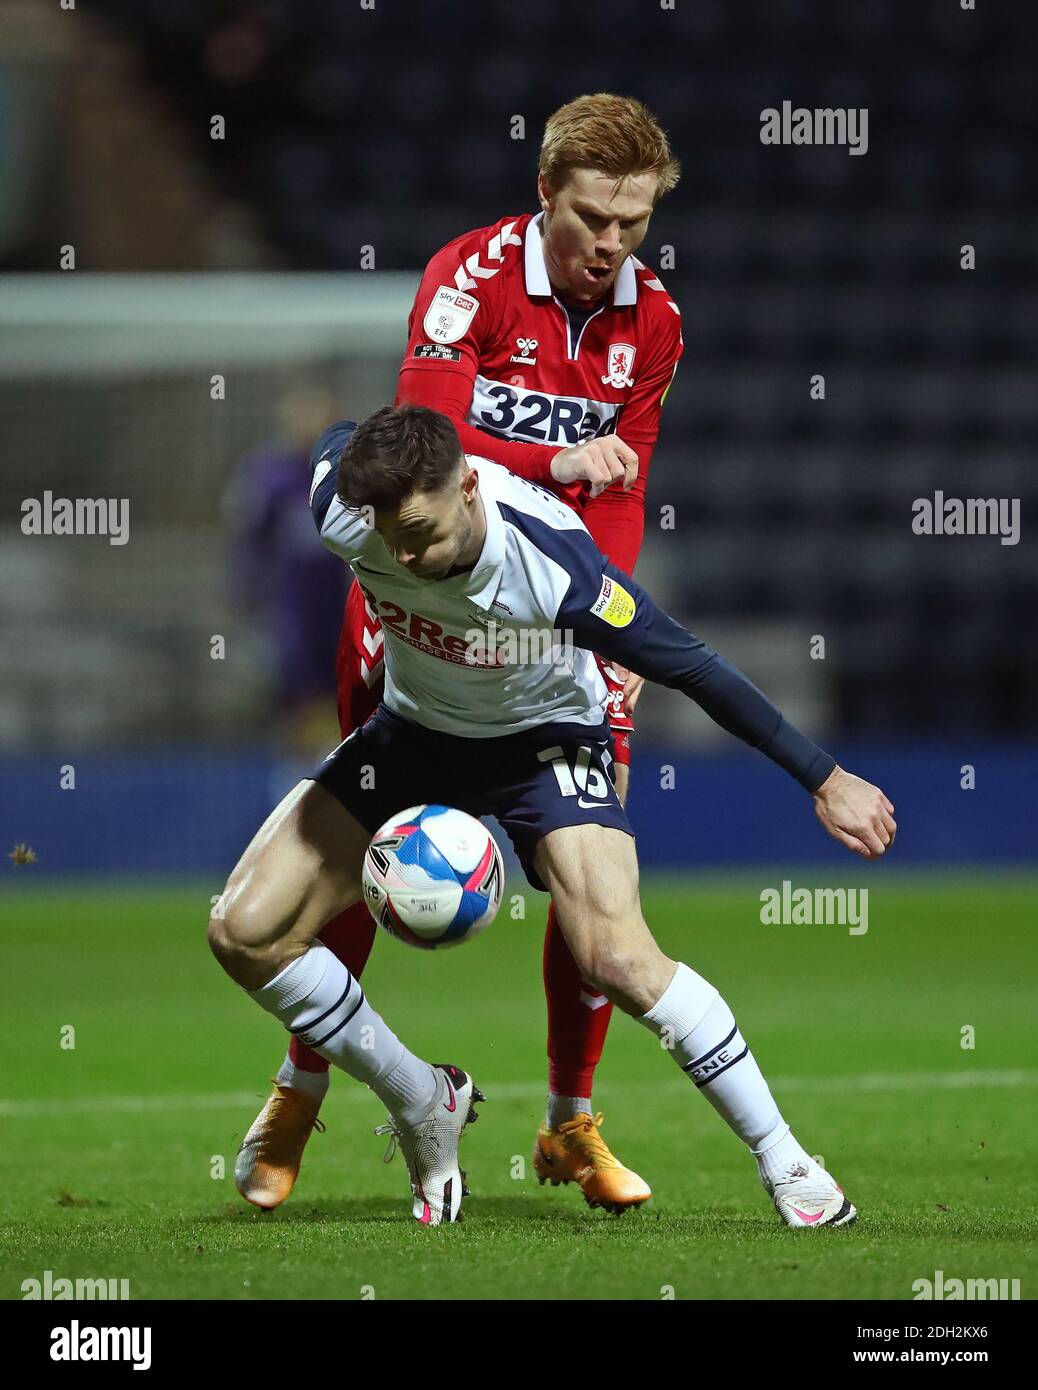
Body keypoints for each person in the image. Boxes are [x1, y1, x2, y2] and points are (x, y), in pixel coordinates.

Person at [209, 406, 896, 1228]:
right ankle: (422, 1098)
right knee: (242, 930)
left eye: (421, 533)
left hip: (546, 744)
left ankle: (788, 1162)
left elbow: (694, 666)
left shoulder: (550, 563)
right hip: (413, 736)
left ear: (467, 488)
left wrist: (826, 778)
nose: (403, 557)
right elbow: (339, 437)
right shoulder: (349, 511)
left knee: (618, 956)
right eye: (389, 538)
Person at [235, 93, 686, 1214]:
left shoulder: (656, 324)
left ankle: (569, 1122)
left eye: (634, 224)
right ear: (547, 195)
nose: (612, 246)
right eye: (593, 218)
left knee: (596, 880)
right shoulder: (467, 278)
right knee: (360, 851)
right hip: (419, 605)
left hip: (550, 618)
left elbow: (623, 491)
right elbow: (421, 440)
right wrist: (561, 457)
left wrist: (612, 629)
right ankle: (303, 1079)